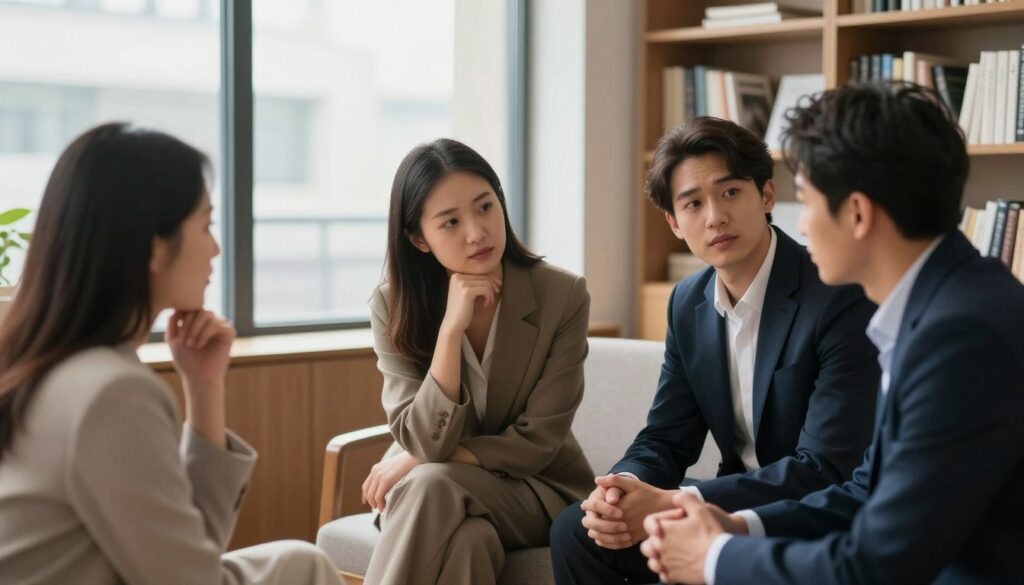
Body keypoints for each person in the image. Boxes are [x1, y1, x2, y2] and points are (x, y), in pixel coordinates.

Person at [639, 82, 1024, 584]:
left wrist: (713, 558)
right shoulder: (940, 306)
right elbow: (868, 488)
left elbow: (874, 565)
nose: (802, 225)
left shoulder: (959, 337)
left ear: (858, 213)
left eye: (809, 201)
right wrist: (739, 524)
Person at [0, 123, 345, 585]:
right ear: (153, 248)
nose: (216, 249)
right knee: (302, 567)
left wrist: (204, 388)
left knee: (298, 562)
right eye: (205, 225)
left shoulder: (48, 360)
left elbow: (188, 552)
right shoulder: (112, 392)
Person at [550, 117, 880, 585]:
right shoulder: (688, 302)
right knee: (579, 530)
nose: (714, 217)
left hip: (805, 516)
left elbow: (826, 469)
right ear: (674, 223)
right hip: (724, 501)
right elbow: (666, 438)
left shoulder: (835, 294)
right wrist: (622, 489)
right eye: (692, 203)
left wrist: (677, 502)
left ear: (765, 196)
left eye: (729, 193)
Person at [360, 138, 593, 585]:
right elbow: (416, 433)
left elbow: (537, 441)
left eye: (486, 207)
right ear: (418, 238)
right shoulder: (392, 306)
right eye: (450, 221)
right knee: (470, 544)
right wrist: (450, 331)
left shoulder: (562, 295)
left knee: (430, 484)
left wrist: (419, 463)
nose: (477, 231)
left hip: (540, 490)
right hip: (437, 498)